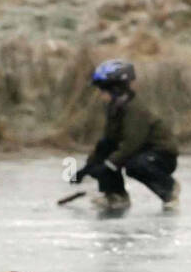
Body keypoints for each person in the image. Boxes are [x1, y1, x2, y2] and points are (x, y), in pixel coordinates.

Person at [69, 60, 181, 211]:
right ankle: (116, 196)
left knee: (133, 166)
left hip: (161, 156)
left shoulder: (135, 110)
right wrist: (87, 168)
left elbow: (131, 144)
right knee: (104, 153)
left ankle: (169, 189)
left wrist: (109, 165)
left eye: (103, 91)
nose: (101, 95)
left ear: (116, 90)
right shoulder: (114, 108)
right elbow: (108, 141)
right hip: (139, 151)